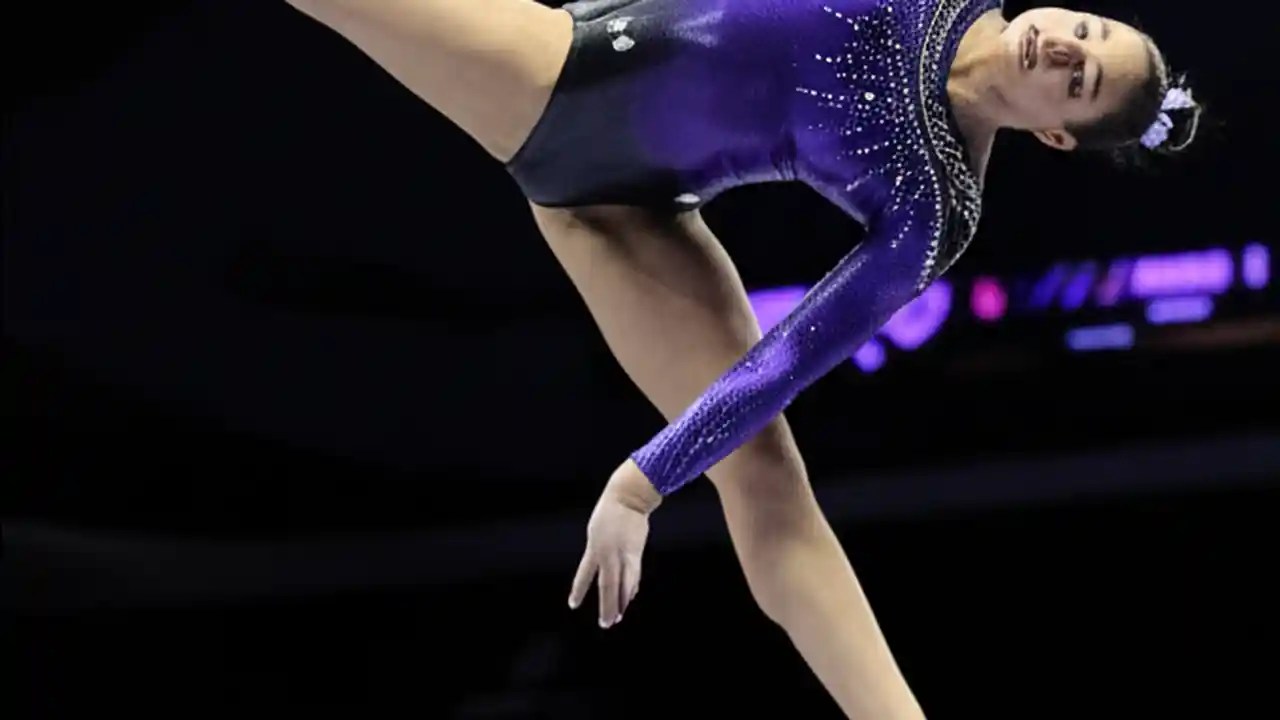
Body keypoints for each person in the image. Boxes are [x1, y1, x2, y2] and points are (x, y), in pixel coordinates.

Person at [280, 0, 1202, 716]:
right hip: (567, 76)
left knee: (768, 481)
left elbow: (792, 356)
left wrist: (645, 479)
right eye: (1087, 31)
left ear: (1055, 134)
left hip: (637, 216)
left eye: (1080, 82)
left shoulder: (935, 207)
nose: (1066, 50)